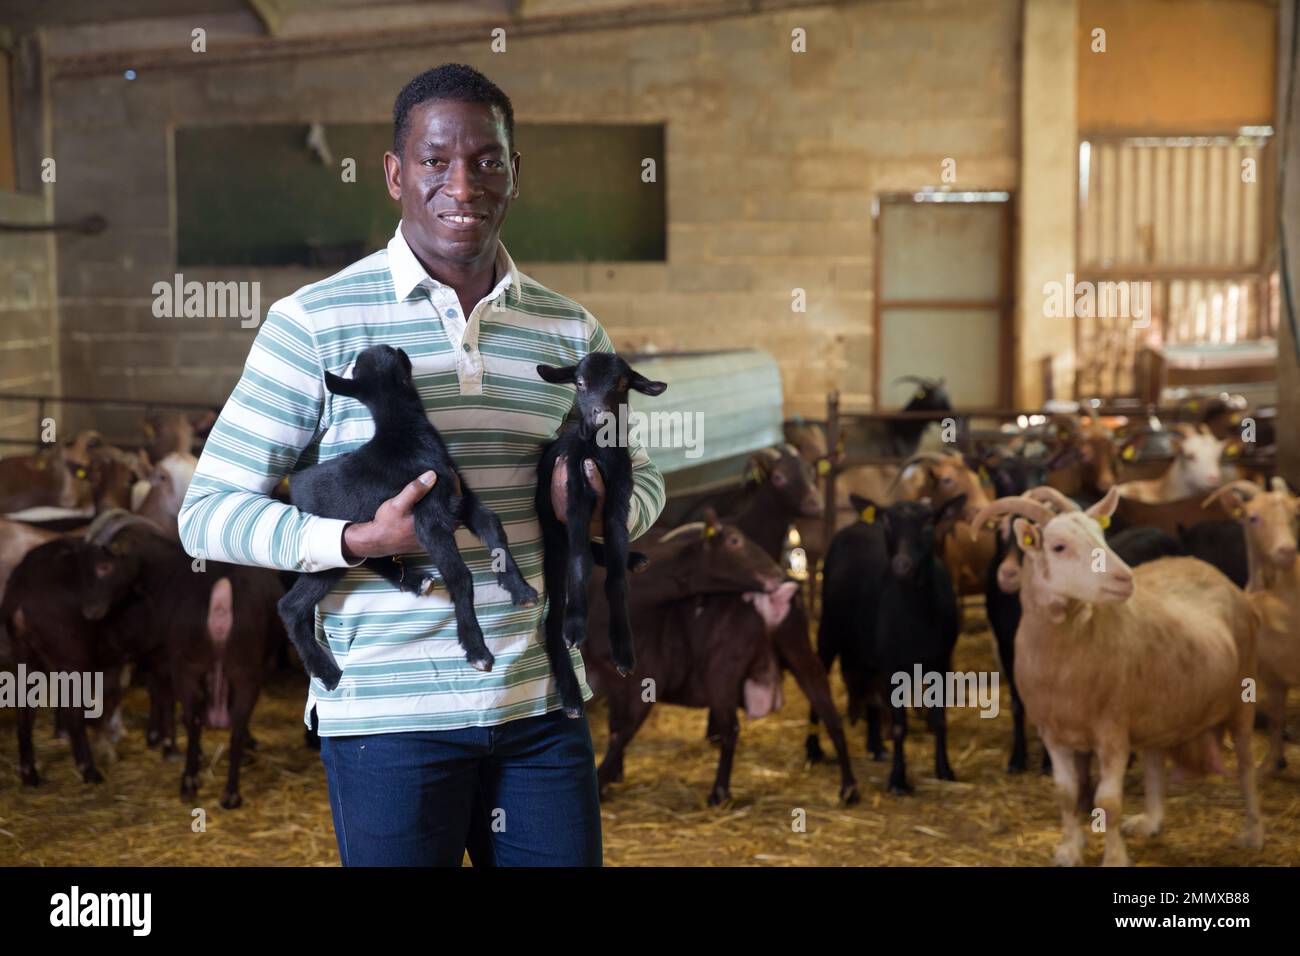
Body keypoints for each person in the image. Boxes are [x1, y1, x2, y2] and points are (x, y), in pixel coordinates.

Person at [178, 63, 665, 866]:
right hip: (388, 723)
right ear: (397, 175)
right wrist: (353, 542)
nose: (462, 183)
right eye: (436, 161)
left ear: (515, 174)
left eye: (487, 159)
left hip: (541, 708)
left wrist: (599, 489)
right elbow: (207, 510)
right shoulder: (312, 323)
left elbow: (644, 479)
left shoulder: (569, 331)